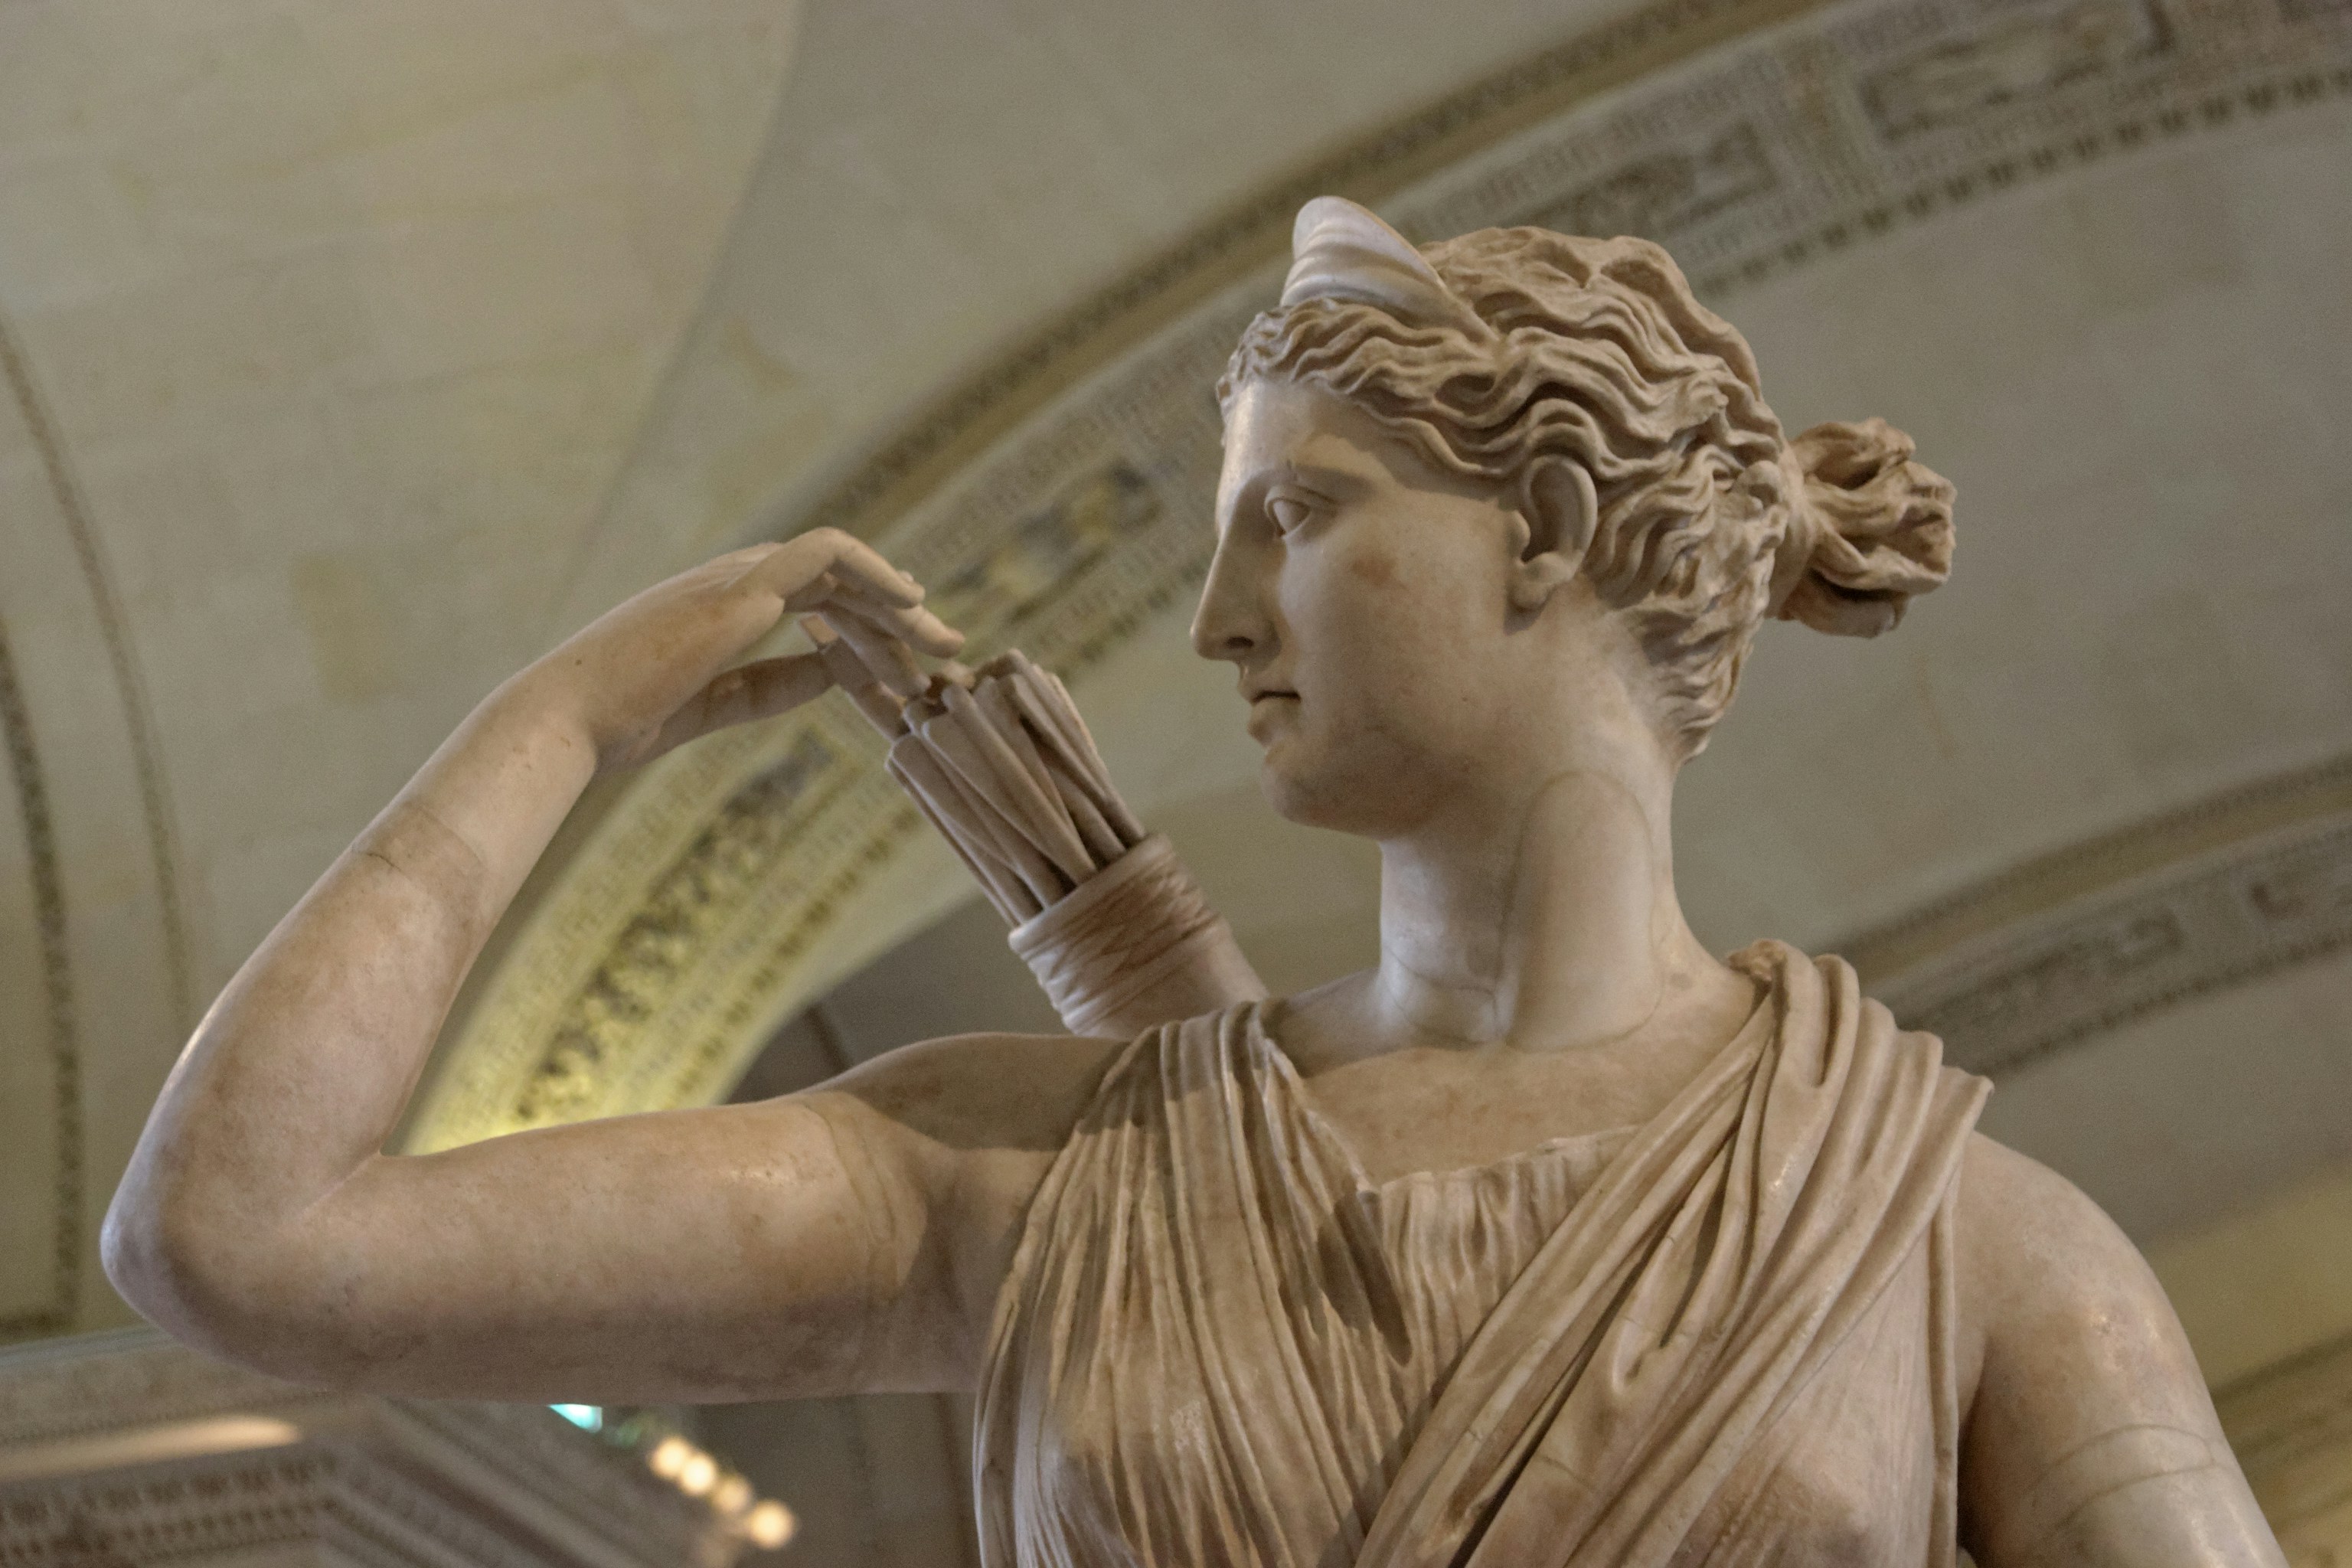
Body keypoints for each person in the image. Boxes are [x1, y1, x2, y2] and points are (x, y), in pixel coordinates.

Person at [105, 198, 2284, 1566]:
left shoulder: (1962, 1240)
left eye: (1299, 518)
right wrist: (570, 717)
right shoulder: (1034, 1172)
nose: (1223, 623)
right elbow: (240, 1240)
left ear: (1542, 523)